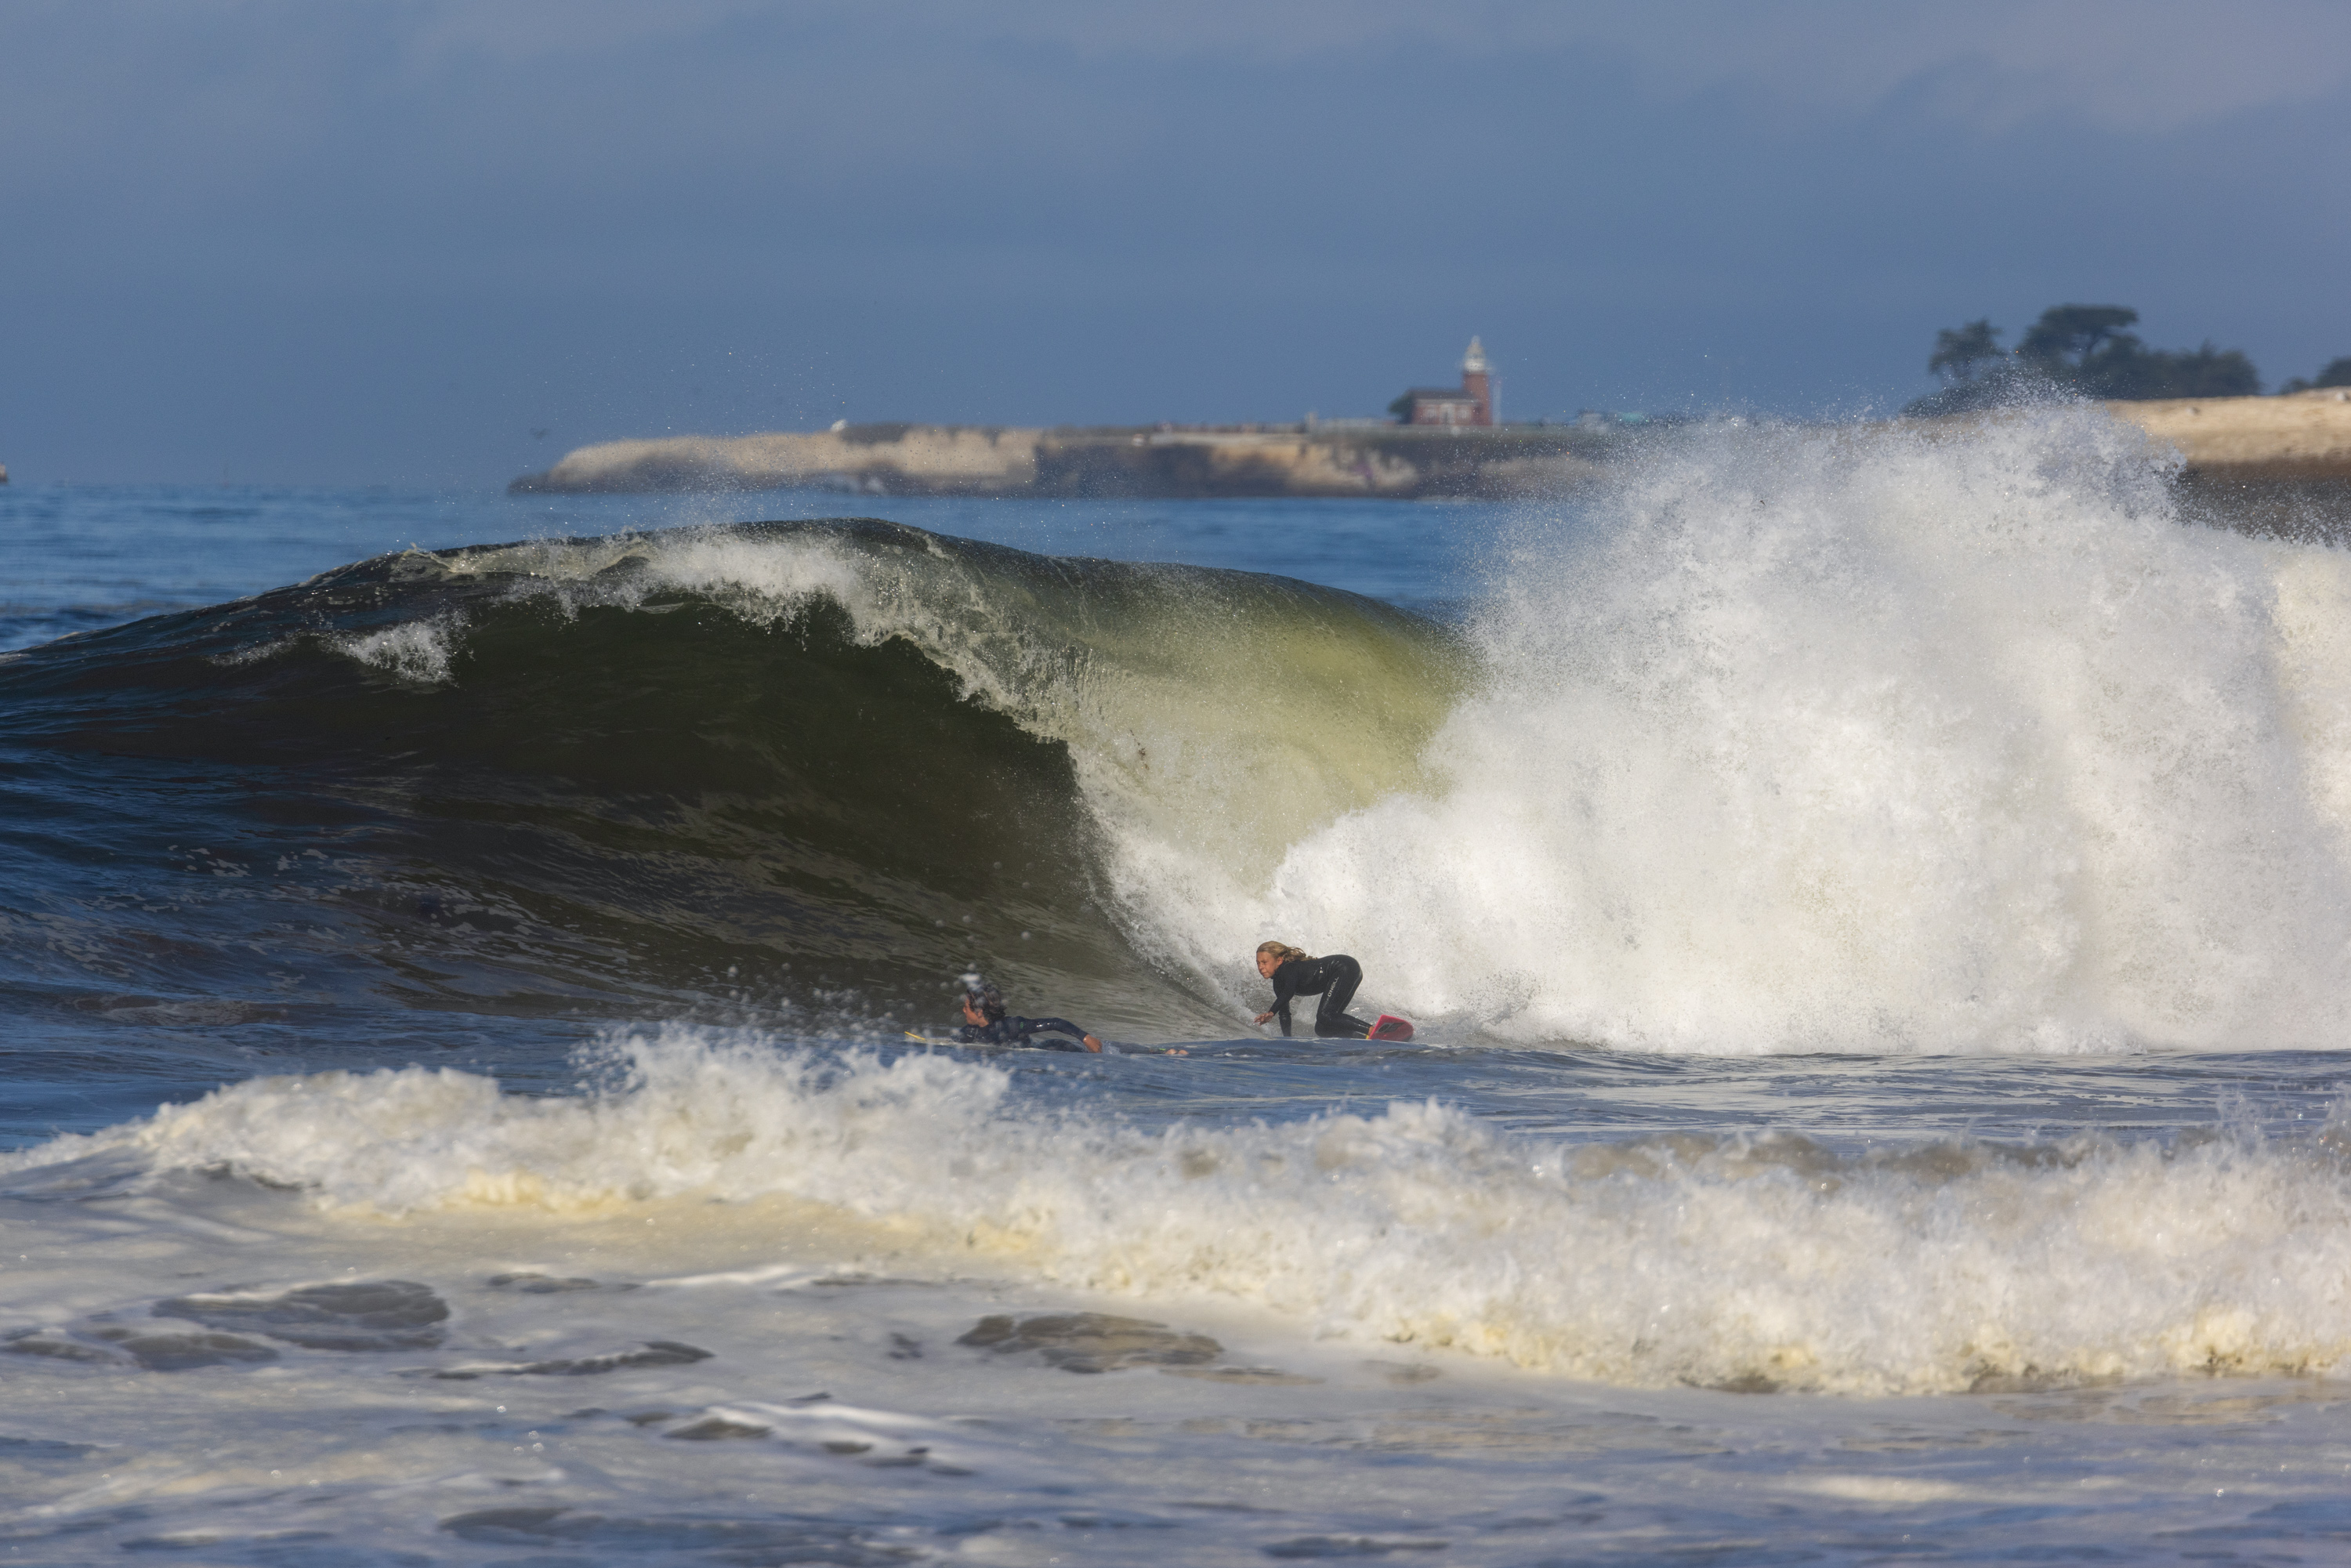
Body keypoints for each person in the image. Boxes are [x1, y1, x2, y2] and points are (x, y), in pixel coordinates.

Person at [1252, 941, 1375, 1038]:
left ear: (1279, 961)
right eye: (1258, 963)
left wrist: (1271, 1012)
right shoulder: (1277, 983)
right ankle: (1362, 1037)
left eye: (1264, 962)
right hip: (1348, 969)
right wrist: (1287, 1040)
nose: (1261, 967)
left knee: (1325, 1015)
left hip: (1344, 967)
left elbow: (1288, 993)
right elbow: (1284, 1014)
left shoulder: (1289, 969)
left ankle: (1373, 1030)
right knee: (1322, 1028)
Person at [951, 974, 1103, 1052]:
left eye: (966, 1007)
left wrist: (1085, 1038)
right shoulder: (969, 1032)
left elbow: (1055, 1023)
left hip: (1056, 1049)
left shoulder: (1014, 1025)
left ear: (979, 1012)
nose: (963, 1010)